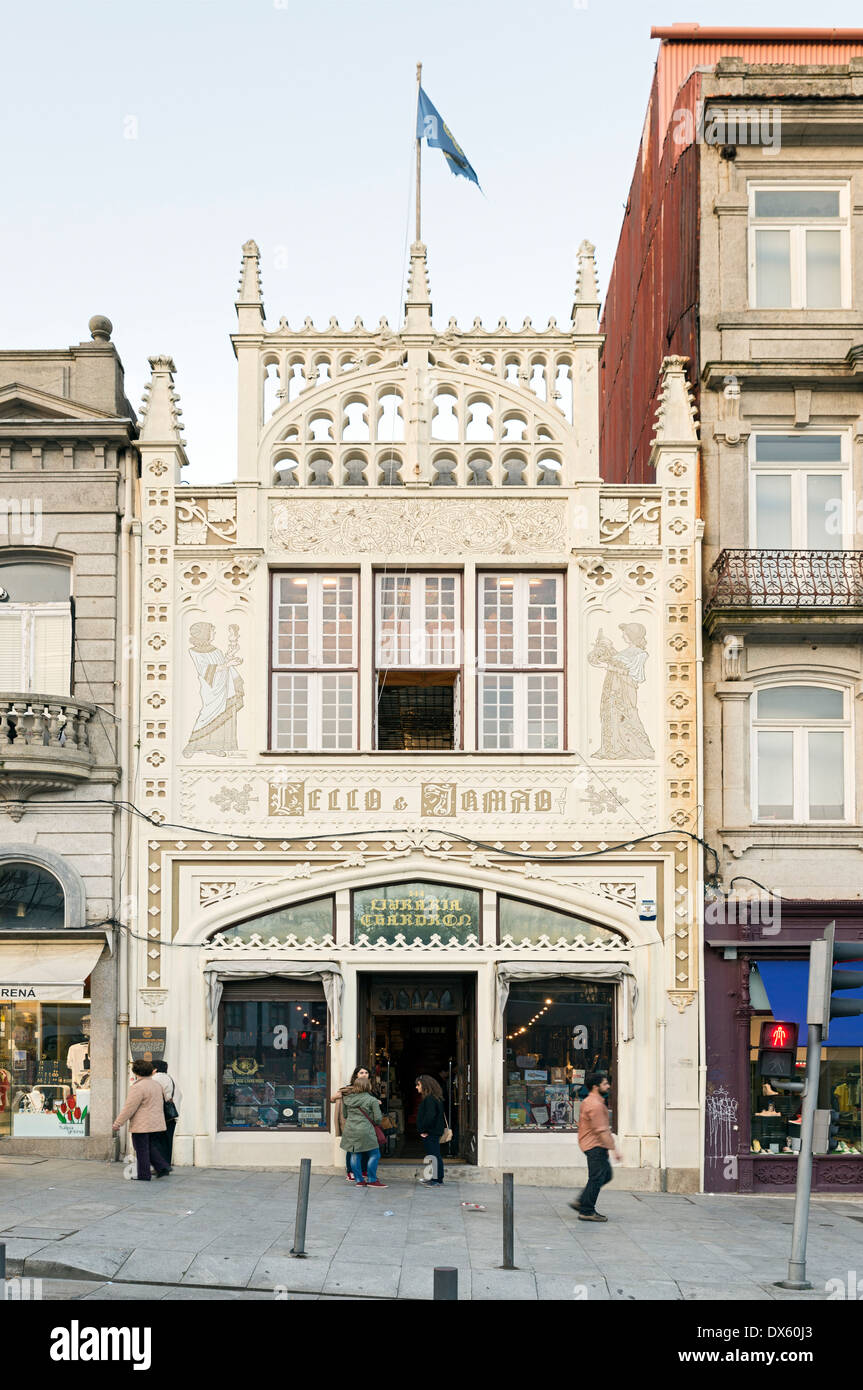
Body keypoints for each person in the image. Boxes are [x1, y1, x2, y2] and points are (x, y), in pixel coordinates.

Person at [570, 1072, 620, 1222]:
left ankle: (583, 1201)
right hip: (595, 1145)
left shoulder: (592, 1101)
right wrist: (614, 1150)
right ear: (595, 1087)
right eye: (605, 1084)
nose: (608, 1086)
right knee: (597, 1177)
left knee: (605, 1175)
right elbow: (602, 1130)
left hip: (595, 1144)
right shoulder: (595, 1105)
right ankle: (586, 1211)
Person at [112, 1060, 170, 1181]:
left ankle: (144, 1174)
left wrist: (118, 1123)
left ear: (136, 1072)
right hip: (157, 1123)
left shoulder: (138, 1087)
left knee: (141, 1149)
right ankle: (162, 1166)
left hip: (142, 1124)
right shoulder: (157, 1085)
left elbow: (129, 1108)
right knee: (150, 1147)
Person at [340, 1076, 387, 1189]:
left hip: (350, 1130)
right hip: (366, 1130)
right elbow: (378, 1119)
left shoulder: (347, 1099)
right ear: (368, 1086)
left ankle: (359, 1180)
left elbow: (345, 1115)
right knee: (375, 1154)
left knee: (355, 1154)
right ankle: (371, 1179)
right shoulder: (371, 1100)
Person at [332, 1066, 375, 1183]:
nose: (364, 1074)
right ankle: (350, 1172)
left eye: (366, 1072)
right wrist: (337, 1097)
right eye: (361, 1072)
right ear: (356, 1075)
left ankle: (363, 1170)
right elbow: (332, 1098)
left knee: (366, 1146)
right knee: (352, 1148)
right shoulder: (347, 1089)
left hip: (366, 1124)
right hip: (350, 1123)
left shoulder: (369, 1090)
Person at [415, 1074, 445, 1186]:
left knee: (434, 1155)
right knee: (434, 1155)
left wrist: (424, 1130)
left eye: (418, 1085)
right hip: (433, 1131)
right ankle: (436, 1178)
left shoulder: (429, 1099)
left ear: (425, 1085)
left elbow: (430, 1116)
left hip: (431, 1132)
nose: (416, 1087)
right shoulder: (434, 1098)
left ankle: (436, 1179)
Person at [151, 1059, 182, 1169]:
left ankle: (160, 1166)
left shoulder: (155, 1079)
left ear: (154, 1069)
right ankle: (166, 1165)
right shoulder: (171, 1079)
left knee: (156, 1141)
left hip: (159, 1115)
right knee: (167, 1142)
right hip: (171, 1116)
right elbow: (179, 1095)